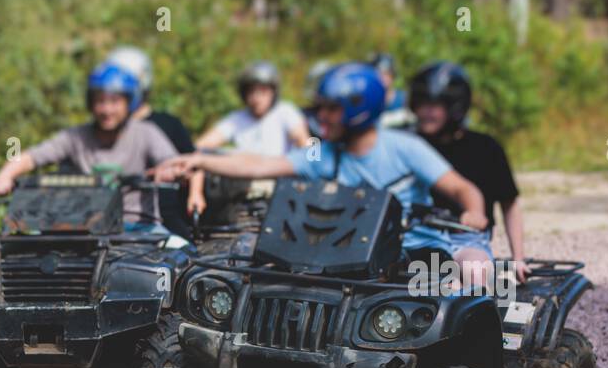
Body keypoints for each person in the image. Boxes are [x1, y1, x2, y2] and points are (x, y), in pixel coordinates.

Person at [157, 63, 490, 278]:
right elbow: (260, 164)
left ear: (359, 110)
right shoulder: (322, 151)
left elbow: (463, 189)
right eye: (319, 108)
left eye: (331, 109)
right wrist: (200, 160)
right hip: (351, 256)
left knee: (475, 271)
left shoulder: (403, 146)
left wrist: (473, 212)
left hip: (417, 251)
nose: (321, 117)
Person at [0, 62, 181, 238]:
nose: (106, 110)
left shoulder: (146, 133)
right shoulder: (75, 137)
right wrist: (5, 176)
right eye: (100, 101)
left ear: (128, 103)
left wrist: (168, 170)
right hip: (85, 229)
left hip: (139, 227)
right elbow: (31, 157)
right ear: (91, 104)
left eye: (114, 102)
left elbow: (174, 162)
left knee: (182, 256)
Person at [411, 61, 529, 282]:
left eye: (434, 105)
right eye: (421, 103)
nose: (425, 111)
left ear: (455, 106)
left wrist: (518, 258)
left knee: (474, 271)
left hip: (465, 240)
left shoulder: (486, 148)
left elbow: (509, 204)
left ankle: (477, 315)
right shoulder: (410, 146)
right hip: (415, 238)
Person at [105, 45, 195, 235]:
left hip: (161, 218)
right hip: (107, 220)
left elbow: (193, 163)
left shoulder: (166, 124)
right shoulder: (100, 129)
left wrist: (195, 194)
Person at [193, 61, 310, 155]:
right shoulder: (237, 118)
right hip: (244, 177)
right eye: (251, 91)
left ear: (273, 92)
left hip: (280, 177)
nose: (256, 98)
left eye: (263, 91)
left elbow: (306, 144)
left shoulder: (286, 112)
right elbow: (204, 144)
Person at [369, 52, 415, 130]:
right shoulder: (367, 102)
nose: (383, 78)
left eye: (386, 73)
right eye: (378, 74)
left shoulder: (405, 99)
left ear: (393, 75)